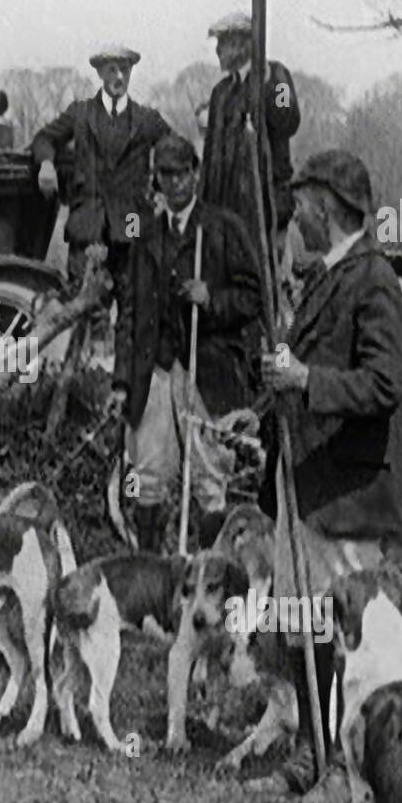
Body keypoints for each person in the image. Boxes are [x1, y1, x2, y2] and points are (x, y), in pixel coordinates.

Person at [258, 149, 402, 794]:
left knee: (350, 639)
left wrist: (305, 379)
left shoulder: (374, 279)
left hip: (349, 492)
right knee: (303, 626)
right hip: (307, 481)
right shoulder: (325, 275)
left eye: (300, 205)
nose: (294, 216)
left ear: (325, 207)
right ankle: (310, 753)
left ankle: (352, 767)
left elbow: (385, 383)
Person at [113, 134, 262, 552]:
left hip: (208, 371)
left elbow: (254, 297)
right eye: (166, 175)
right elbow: (129, 313)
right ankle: (150, 576)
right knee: (148, 476)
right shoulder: (145, 236)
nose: (175, 183)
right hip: (156, 371)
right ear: (156, 180)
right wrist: (122, 380)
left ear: (196, 173)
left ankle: (210, 577)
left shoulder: (223, 227)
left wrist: (211, 298)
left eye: (182, 173)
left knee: (210, 479)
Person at [30, 45, 173, 297]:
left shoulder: (147, 119)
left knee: (133, 303)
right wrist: (46, 164)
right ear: (99, 73)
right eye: (112, 70)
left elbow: (175, 150)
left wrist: (164, 191)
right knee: (81, 305)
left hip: (131, 223)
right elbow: (43, 139)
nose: (119, 77)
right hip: (87, 225)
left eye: (125, 70)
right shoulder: (80, 113)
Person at [201, 12, 301, 243]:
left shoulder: (277, 75)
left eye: (223, 43)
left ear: (241, 45)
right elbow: (210, 157)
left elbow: (289, 120)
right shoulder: (221, 92)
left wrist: (268, 84)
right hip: (226, 210)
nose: (218, 51)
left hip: (266, 207)